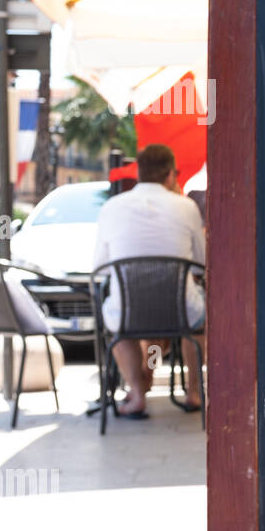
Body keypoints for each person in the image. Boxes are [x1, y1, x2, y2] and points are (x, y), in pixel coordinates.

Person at [92, 144, 206, 418]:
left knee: (123, 326)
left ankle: (138, 390)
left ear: (139, 173)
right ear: (170, 175)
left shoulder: (112, 207)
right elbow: (201, 265)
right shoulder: (186, 206)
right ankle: (193, 391)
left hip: (129, 315)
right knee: (194, 326)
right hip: (179, 313)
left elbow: (100, 269)